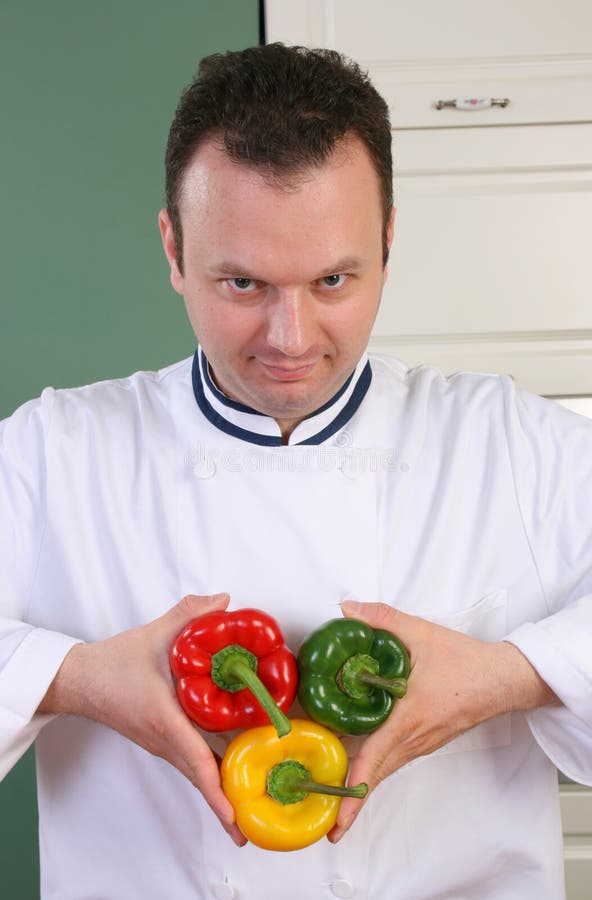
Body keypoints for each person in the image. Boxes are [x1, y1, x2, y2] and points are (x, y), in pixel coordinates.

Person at [1, 42, 591, 900]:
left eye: (333, 279)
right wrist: (70, 678)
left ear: (388, 240)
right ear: (172, 247)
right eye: (242, 282)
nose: (290, 336)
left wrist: (510, 675)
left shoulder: (512, 443)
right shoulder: (52, 453)